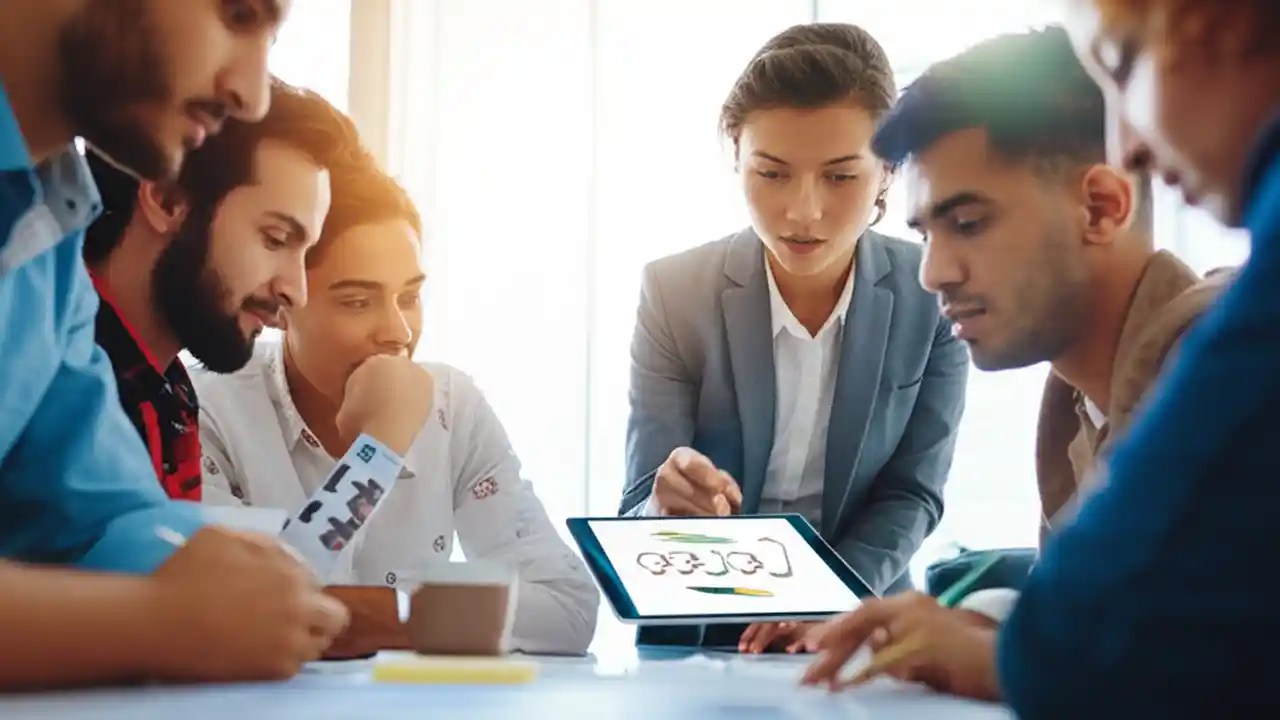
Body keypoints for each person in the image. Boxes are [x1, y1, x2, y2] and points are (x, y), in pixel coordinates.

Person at [799, 25, 1228, 701]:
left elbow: (1209, 659)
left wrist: (1003, 660)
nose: (933, 273)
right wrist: (991, 622)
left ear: (1101, 206)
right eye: (926, 234)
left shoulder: (1217, 364)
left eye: (968, 223)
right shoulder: (1076, 404)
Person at [0, 0, 347, 688]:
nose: (249, 96)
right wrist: (156, 619)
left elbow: (100, 517)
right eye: (239, 15)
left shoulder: (50, 233)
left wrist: (263, 591)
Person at [617, 22, 969, 652]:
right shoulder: (674, 292)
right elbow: (642, 497)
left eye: (840, 177)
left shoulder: (932, 295)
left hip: (857, 627)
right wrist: (663, 505)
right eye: (773, 174)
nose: (803, 212)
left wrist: (830, 598)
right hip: (697, 636)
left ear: (888, 170)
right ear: (735, 154)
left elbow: (912, 492)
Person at [191, 160, 600, 658]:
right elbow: (262, 608)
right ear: (285, 302)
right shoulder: (203, 407)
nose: (399, 334)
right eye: (358, 302)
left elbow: (568, 608)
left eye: (409, 297)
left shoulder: (453, 406)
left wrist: (376, 616)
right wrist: (378, 450)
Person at [84, 79, 358, 501]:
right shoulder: (41, 364)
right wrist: (379, 455)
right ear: (167, 201)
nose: (296, 291)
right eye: (275, 238)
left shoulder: (168, 394)